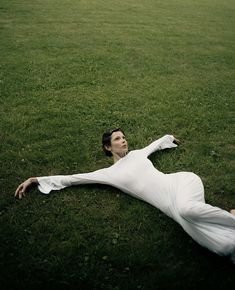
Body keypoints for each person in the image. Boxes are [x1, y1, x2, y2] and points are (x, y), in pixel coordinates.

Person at [15, 128, 235, 263]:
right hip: (172, 209)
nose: (124, 141)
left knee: (189, 210)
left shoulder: (138, 155)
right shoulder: (108, 174)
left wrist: (170, 137)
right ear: (108, 147)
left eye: (124, 137)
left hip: (181, 183)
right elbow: (72, 178)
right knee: (220, 246)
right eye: (118, 139)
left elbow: (157, 144)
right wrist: (35, 180)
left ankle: (232, 217)